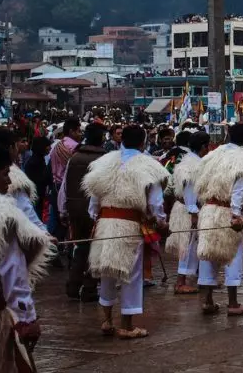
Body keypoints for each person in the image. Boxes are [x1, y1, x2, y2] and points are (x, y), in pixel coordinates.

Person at [82, 124, 169, 339]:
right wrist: (161, 221)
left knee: (108, 272)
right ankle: (127, 326)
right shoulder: (150, 166)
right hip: (129, 225)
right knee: (131, 275)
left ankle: (107, 320)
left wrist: (97, 216)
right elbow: (156, 202)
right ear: (143, 142)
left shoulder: (103, 163)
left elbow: (93, 199)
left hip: (104, 223)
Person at [0, 142, 51, 372]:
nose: (9, 181)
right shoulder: (6, 215)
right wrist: (27, 318)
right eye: (5, 174)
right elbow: (13, 274)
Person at [195, 123, 243, 317]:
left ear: (227, 136)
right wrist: (236, 215)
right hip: (227, 212)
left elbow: (199, 183)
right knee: (232, 256)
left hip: (208, 210)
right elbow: (239, 190)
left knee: (209, 255)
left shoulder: (212, 155)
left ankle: (208, 301)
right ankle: (233, 303)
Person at [63, 122, 107, 302]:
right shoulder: (105, 159)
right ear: (102, 138)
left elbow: (65, 186)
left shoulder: (74, 158)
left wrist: (64, 209)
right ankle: (89, 288)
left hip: (74, 209)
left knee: (80, 247)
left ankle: (73, 286)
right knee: (96, 248)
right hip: (96, 210)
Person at [167, 130, 211, 295]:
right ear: (203, 147)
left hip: (190, 208)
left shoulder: (190, 161)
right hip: (189, 209)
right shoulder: (192, 165)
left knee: (192, 246)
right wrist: (193, 212)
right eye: (207, 146)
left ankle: (197, 279)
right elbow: (189, 190)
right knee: (187, 246)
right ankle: (180, 282)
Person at [0, 126, 46, 232]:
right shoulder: (15, 179)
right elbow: (28, 216)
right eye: (18, 143)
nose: (9, 180)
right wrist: (44, 236)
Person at [23, 136, 51, 221]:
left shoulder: (38, 159)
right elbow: (40, 178)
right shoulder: (35, 162)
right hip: (35, 195)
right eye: (47, 146)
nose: (49, 148)